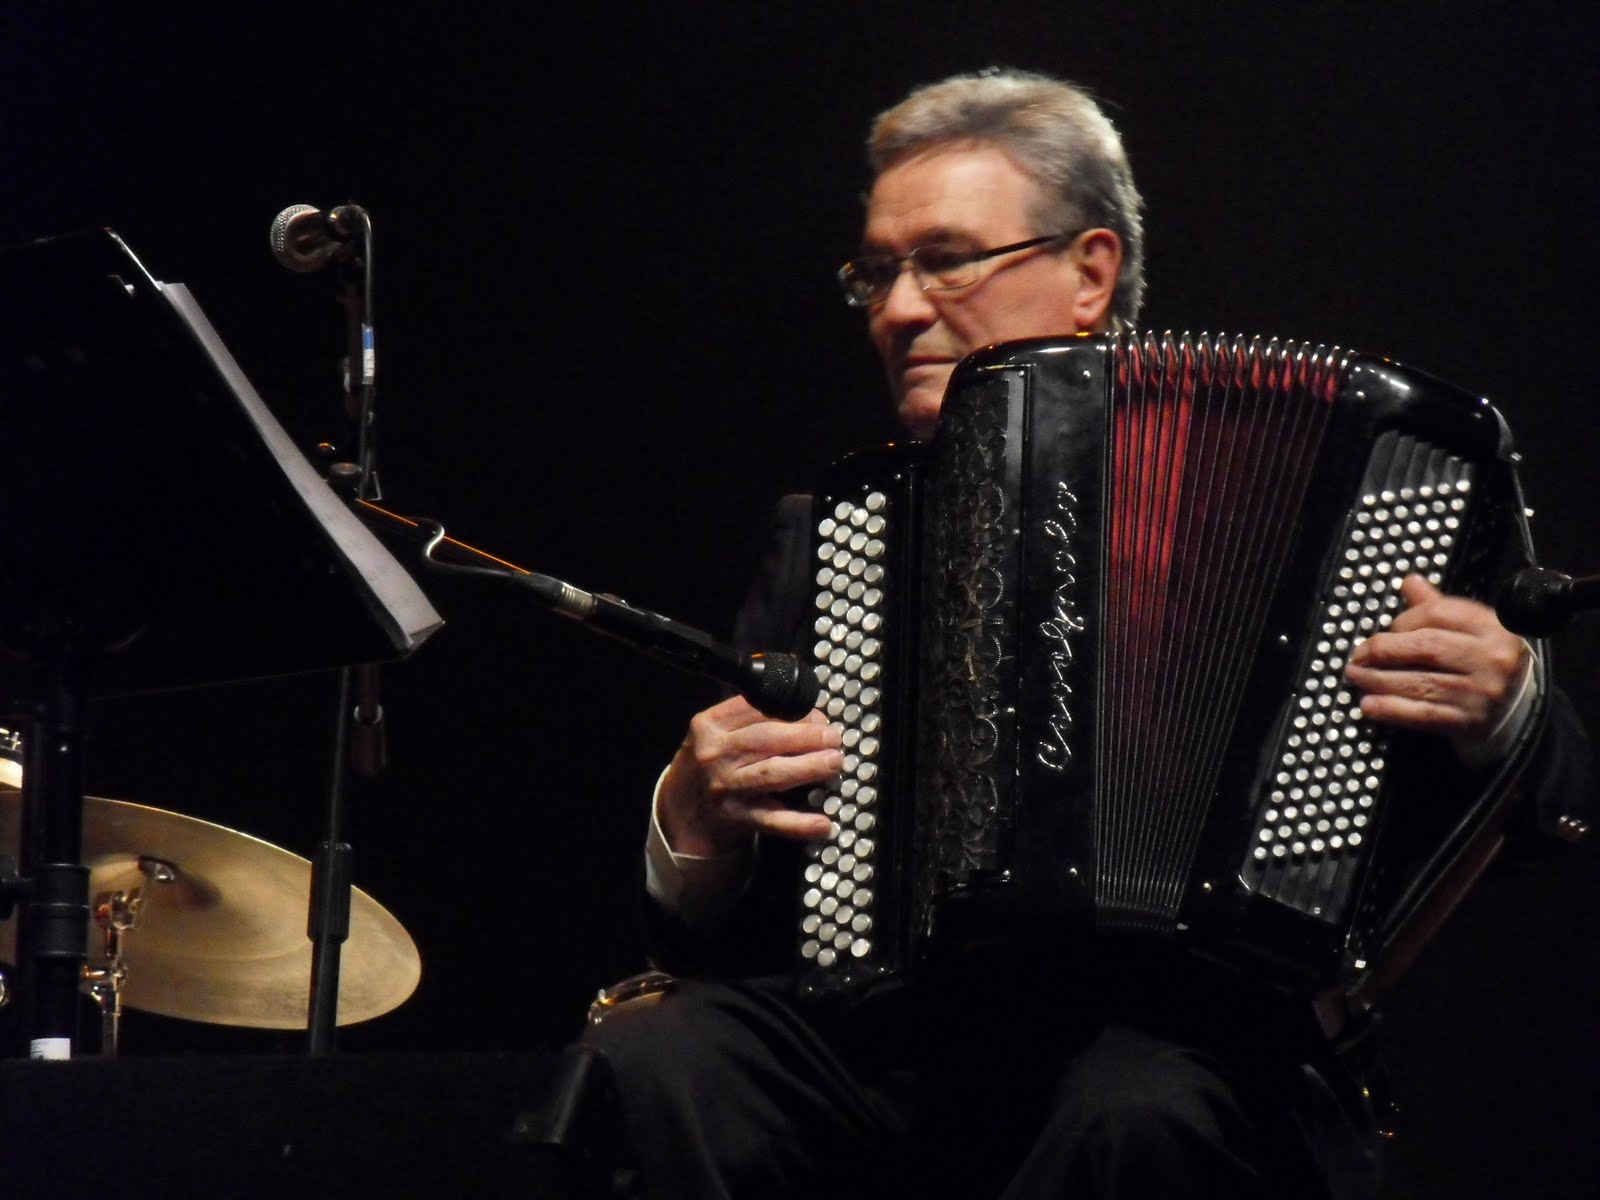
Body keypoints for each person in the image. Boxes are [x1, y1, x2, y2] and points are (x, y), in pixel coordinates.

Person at [581, 69, 1593, 1200]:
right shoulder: (836, 533)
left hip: (1191, 1043)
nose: (899, 308)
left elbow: (1545, 805)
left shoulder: (1325, 504)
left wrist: (1508, 707)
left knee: (1131, 1111)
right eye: (877, 271)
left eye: (946, 259)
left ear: (1089, 274)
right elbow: (744, 906)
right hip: (907, 1042)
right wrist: (691, 824)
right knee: (659, 1056)